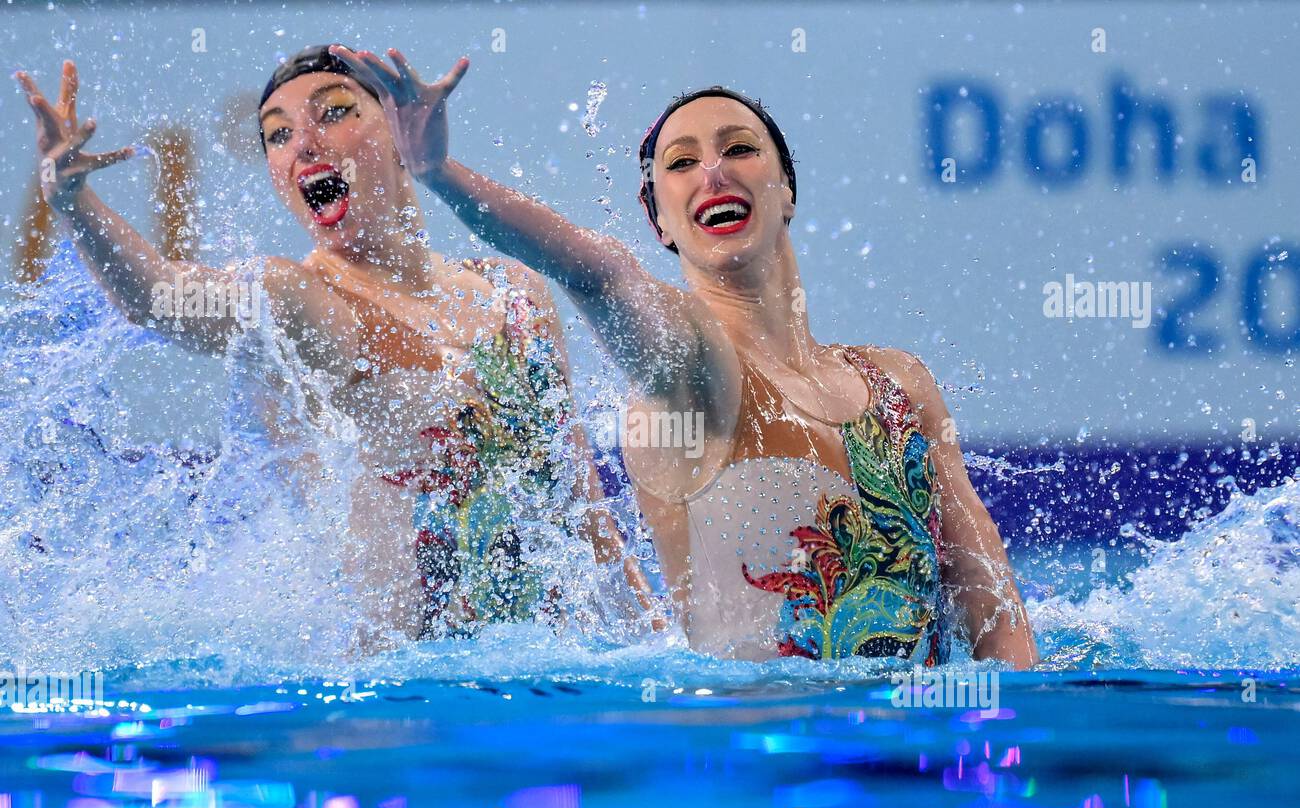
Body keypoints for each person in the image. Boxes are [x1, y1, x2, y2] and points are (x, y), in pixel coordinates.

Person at [324, 46, 1039, 668]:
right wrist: (440, 172)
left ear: (786, 189)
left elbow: (984, 585)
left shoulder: (898, 381)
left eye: (739, 149)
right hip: (758, 759)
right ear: (659, 220)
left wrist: (1015, 731)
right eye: (682, 163)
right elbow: (598, 275)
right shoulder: (692, 376)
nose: (712, 173)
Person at [14, 48, 658, 648]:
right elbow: (159, 299)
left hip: (552, 676)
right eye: (278, 133)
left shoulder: (515, 294)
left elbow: (587, 512)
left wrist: (655, 646)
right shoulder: (301, 302)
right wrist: (71, 200)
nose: (304, 143)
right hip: (403, 696)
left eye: (335, 113)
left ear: (402, 132)